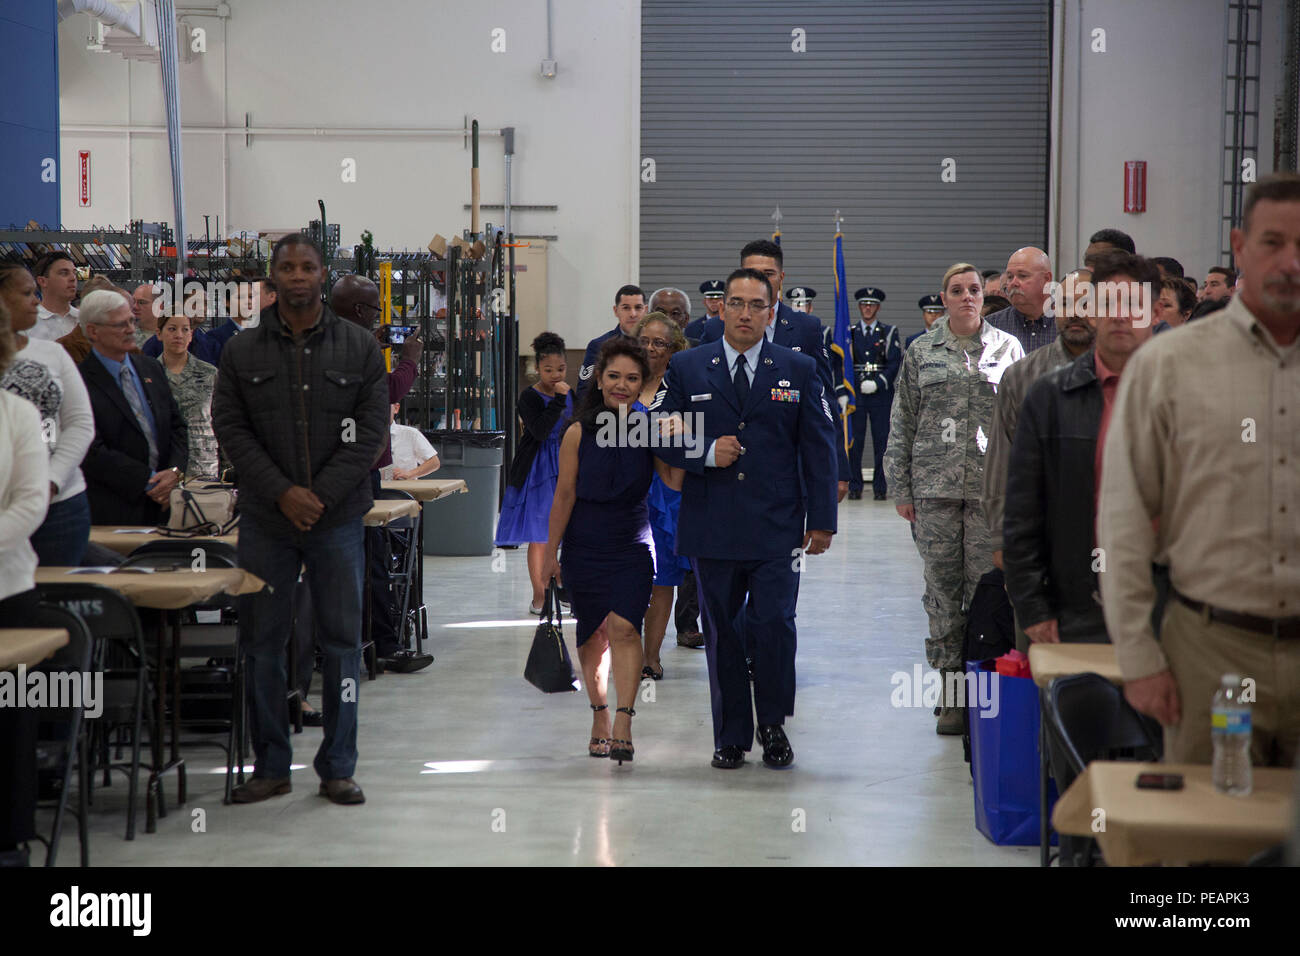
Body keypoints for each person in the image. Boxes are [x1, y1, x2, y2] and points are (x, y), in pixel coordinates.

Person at [1098, 174, 1300, 767]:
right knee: (1207, 840)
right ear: (1239, 248)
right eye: (1272, 242)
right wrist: (1138, 656)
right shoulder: (1170, 366)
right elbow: (1124, 518)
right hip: (1213, 654)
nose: (1290, 260)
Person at [213, 234, 388, 806]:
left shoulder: (359, 347)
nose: (296, 276)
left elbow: (370, 434)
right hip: (267, 519)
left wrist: (320, 495)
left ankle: (338, 765)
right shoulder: (243, 351)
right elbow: (231, 428)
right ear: (273, 275)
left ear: (321, 273)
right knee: (263, 642)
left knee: (340, 645)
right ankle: (270, 765)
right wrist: (284, 492)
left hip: (336, 520)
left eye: (306, 267)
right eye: (286, 267)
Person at [654, 267, 838, 770]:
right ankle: (731, 734)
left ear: (771, 312)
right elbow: (657, 430)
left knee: (776, 624)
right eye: (736, 302)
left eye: (757, 305)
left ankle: (774, 725)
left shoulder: (797, 368)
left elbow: (820, 448)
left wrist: (822, 519)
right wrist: (706, 451)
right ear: (721, 307)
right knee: (723, 633)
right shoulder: (689, 367)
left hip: (778, 527)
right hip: (713, 525)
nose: (744, 313)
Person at [884, 263, 1023, 734]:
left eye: (975, 290)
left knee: (987, 594)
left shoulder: (1009, 349)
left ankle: (984, 689)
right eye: (957, 290)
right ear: (943, 298)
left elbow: (1022, 425)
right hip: (935, 493)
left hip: (990, 493)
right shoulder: (921, 352)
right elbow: (902, 422)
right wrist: (901, 487)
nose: (967, 297)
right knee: (943, 597)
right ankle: (951, 694)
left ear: (985, 297)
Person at [1003, 254, 1159, 646]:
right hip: (1071, 606)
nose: (1120, 316)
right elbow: (1023, 511)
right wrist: (1034, 607)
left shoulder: (1185, 395)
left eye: (1132, 305)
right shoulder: (1049, 397)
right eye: (1107, 304)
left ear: (1154, 313)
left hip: (1165, 609)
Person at [540, 337, 676, 764]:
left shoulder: (648, 428)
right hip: (584, 544)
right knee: (594, 634)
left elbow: (673, 481)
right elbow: (563, 496)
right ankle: (598, 714)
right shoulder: (578, 431)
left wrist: (679, 437)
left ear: (643, 385)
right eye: (614, 376)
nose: (622, 384)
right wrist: (549, 554)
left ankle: (624, 718)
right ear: (599, 380)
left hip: (632, 542)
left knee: (625, 629)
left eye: (632, 378)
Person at [330, 273, 430, 673]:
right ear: (359, 310)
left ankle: (356, 645)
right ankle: (382, 646)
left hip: (336, 468)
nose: (377, 317)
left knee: (352, 561)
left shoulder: (329, 341)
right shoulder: (356, 349)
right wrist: (411, 359)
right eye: (373, 310)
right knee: (372, 561)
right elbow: (389, 389)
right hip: (359, 471)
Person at [700, 240, 849, 500]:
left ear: (781, 278)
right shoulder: (715, 329)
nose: (760, 281)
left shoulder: (806, 329)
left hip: (784, 471)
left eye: (768, 274)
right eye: (752, 273)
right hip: (724, 469)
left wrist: (838, 467)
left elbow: (824, 400)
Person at [984, 267, 1093, 579]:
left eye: (1086, 305)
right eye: (1066, 304)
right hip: (1038, 536)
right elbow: (999, 461)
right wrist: (1000, 537)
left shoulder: (1130, 373)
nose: (1075, 314)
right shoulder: (1021, 376)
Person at [0, 297, 51, 866]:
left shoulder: (15, 413)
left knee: (9, 716)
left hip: (8, 583)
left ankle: (9, 839)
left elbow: (31, 501)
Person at [0, 263, 95, 565]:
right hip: (6, 499)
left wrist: (52, 479)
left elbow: (80, 423)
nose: (36, 302)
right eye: (27, 293)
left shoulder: (52, 353)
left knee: (55, 604)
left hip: (61, 505)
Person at [78, 290, 187, 526]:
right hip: (115, 509)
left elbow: (177, 425)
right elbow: (90, 448)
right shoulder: (78, 381)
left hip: (165, 506)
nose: (130, 329)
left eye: (131, 321)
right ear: (93, 331)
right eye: (120, 324)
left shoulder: (150, 368)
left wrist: (174, 472)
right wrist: (148, 482)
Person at [495, 331, 573, 614]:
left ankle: (563, 587)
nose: (555, 374)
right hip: (538, 469)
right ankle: (539, 595)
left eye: (561, 369)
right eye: (548, 369)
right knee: (540, 535)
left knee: (567, 532)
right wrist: (558, 401)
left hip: (567, 466)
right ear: (537, 369)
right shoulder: (529, 397)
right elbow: (539, 431)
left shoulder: (569, 395)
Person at [634, 312, 692, 680]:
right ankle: (625, 649)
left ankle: (650, 657)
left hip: (668, 492)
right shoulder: (623, 378)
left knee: (662, 578)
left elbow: (691, 439)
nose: (651, 349)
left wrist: (675, 486)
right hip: (627, 492)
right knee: (629, 576)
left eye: (660, 343)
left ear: (675, 349)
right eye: (646, 341)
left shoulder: (681, 385)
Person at [845, 286, 901, 501]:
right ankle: (855, 486)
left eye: (871, 305)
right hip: (857, 392)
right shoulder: (850, 332)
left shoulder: (888, 332)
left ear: (878, 307)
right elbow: (844, 363)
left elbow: (894, 361)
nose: (867, 308)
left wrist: (878, 382)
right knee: (855, 442)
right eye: (864, 304)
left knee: (881, 442)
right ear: (859, 307)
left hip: (880, 394)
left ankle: (880, 487)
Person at [158, 313, 220, 481]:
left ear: (191, 335)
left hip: (203, 465)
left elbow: (222, 419)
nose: (179, 335)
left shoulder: (209, 373)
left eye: (185, 329)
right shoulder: (149, 373)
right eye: (172, 329)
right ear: (159, 333)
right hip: (163, 467)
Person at [577, 284, 645, 398]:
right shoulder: (598, 346)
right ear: (616, 310)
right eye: (626, 308)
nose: (633, 314)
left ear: (645, 310)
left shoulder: (653, 346)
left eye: (638, 308)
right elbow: (584, 391)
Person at [986, 246, 1058, 353]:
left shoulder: (1068, 323)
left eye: (1023, 276)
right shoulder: (992, 326)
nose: (1013, 283)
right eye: (1010, 277)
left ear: (1047, 279)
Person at [209, 276, 275, 355]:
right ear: (226, 302)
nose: (248, 301)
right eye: (240, 297)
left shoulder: (267, 333)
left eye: (251, 297)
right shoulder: (215, 337)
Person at [28, 252, 80, 342]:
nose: (73, 278)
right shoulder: (28, 324)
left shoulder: (83, 320)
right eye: (64, 273)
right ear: (43, 281)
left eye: (74, 273)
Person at [389, 405, 439, 479]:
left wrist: (410, 474)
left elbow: (434, 462)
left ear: (396, 408)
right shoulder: (367, 435)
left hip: (403, 488)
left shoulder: (410, 434)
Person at [131, 282, 161, 349]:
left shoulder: (168, 337)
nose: (135, 307)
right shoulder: (125, 334)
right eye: (133, 301)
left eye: (141, 302)